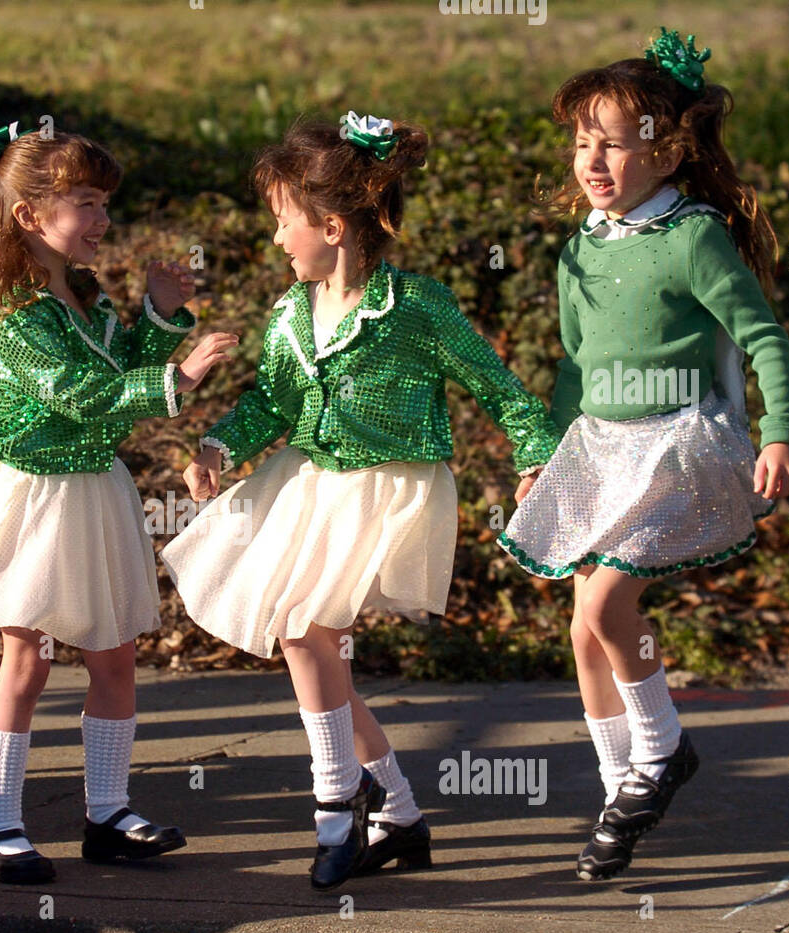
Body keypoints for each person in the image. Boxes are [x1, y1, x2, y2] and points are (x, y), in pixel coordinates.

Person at [162, 113, 562, 892]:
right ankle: (401, 813)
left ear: (333, 227)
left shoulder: (415, 306)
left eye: (284, 223)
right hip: (310, 485)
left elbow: (499, 386)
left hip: (388, 487)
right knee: (311, 649)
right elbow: (271, 403)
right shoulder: (289, 313)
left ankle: (334, 815)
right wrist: (216, 446)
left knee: (308, 636)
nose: (277, 240)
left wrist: (535, 456)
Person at [497, 31, 789, 880]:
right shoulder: (582, 249)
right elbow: (573, 367)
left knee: (604, 608)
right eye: (580, 142)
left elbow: (764, 340)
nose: (592, 159)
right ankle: (620, 789)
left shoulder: (692, 236)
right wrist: (549, 455)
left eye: (613, 141)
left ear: (667, 150)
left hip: (677, 444)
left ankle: (664, 751)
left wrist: (783, 431)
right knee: (581, 624)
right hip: (599, 448)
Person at [0, 125, 239, 883]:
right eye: (86, 204)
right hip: (34, 500)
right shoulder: (17, 311)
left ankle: (109, 813)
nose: (103, 220)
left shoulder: (83, 294)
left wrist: (159, 316)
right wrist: (178, 380)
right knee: (28, 658)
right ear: (29, 216)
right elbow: (83, 398)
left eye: (104, 203)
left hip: (95, 493)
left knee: (116, 655)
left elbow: (119, 382)